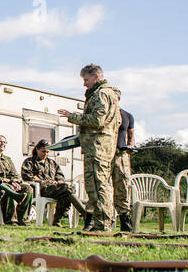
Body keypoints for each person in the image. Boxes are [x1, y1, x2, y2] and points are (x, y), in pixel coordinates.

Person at [58, 64, 120, 231]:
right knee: (97, 186)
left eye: (86, 80)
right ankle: (100, 223)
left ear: (96, 77)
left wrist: (73, 117)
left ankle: (103, 224)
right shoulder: (109, 95)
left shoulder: (101, 94)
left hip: (97, 148)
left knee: (98, 186)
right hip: (100, 147)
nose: (84, 84)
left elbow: (97, 121)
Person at [21, 138, 88, 227]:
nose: (46, 154)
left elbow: (60, 175)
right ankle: (84, 214)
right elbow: (26, 175)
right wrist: (42, 181)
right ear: (37, 149)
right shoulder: (29, 162)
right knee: (67, 190)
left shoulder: (51, 163)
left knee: (67, 194)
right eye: (43, 151)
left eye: (47, 152)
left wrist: (58, 181)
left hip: (56, 188)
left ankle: (57, 222)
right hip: (41, 190)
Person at [0, 134, 34, 225]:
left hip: (11, 183)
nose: (2, 144)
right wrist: (10, 182)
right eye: (0, 141)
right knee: (8, 188)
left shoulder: (7, 160)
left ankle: (23, 218)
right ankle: (10, 219)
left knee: (28, 188)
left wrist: (16, 182)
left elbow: (15, 174)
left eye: (4, 142)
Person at [113, 102, 136, 231]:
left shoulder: (127, 116)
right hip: (105, 154)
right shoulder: (104, 113)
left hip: (121, 155)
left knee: (123, 187)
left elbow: (131, 136)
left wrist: (131, 146)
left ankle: (125, 221)